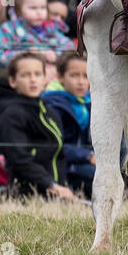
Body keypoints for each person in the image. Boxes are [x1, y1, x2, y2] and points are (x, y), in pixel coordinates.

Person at [0, 52, 74, 199]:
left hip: (58, 193)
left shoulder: (50, 111)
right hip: (28, 195)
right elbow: (19, 159)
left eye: (37, 74)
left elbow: (59, 154)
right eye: (25, 75)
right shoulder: (11, 114)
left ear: (45, 79)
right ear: (12, 81)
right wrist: (52, 185)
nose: (33, 80)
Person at [0, 0, 76, 77]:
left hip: (53, 80)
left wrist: (56, 56)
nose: (39, 12)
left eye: (43, 7)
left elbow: (69, 47)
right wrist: (27, 54)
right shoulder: (8, 29)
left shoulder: (51, 29)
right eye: (33, 8)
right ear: (18, 10)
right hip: (23, 80)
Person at [42, 51, 94, 196]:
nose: (81, 82)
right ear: (60, 77)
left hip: (84, 161)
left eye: (86, 76)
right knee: (95, 174)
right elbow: (54, 145)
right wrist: (87, 156)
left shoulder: (89, 103)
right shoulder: (52, 104)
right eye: (74, 75)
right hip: (62, 165)